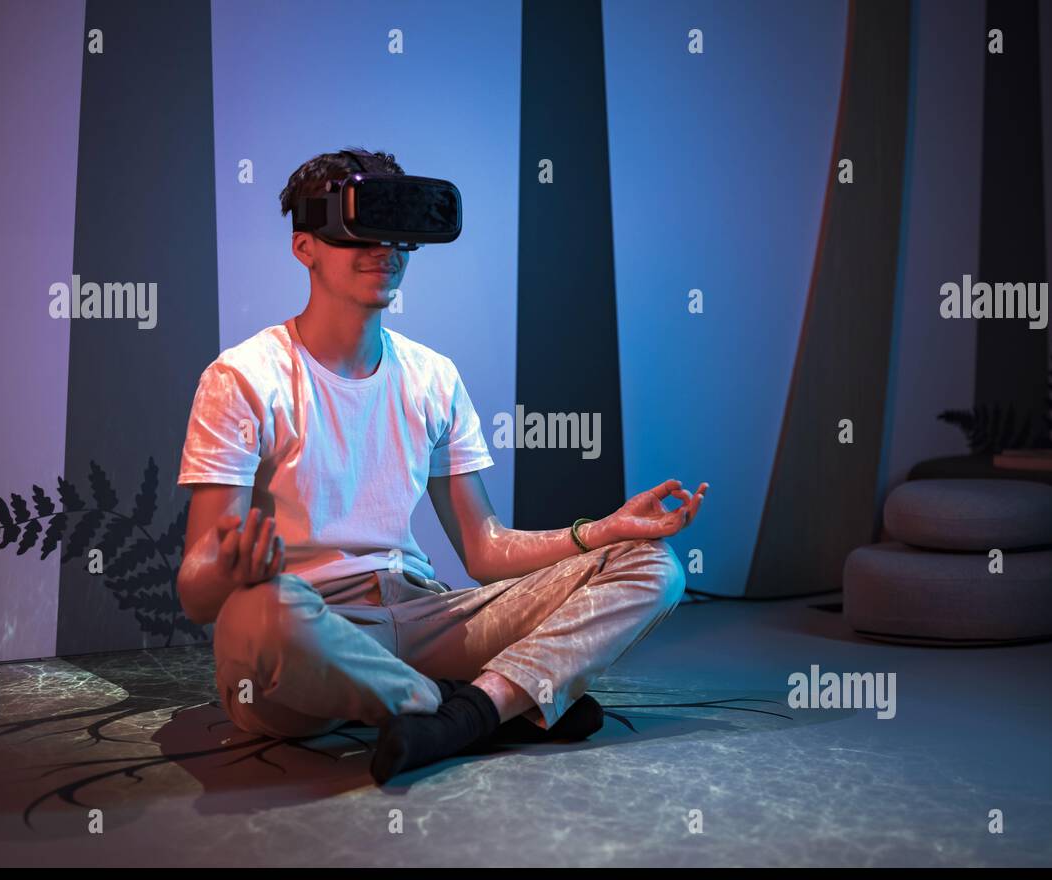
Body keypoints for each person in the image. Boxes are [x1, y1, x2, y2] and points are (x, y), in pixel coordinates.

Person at [176, 147, 707, 784]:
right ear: (304, 246)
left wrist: (602, 531)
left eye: (399, 232)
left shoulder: (432, 376)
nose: (385, 250)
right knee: (254, 615)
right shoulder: (242, 378)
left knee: (653, 563)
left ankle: (468, 710)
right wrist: (230, 567)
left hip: (426, 616)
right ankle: (474, 702)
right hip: (311, 629)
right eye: (359, 231)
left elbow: (483, 551)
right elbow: (195, 592)